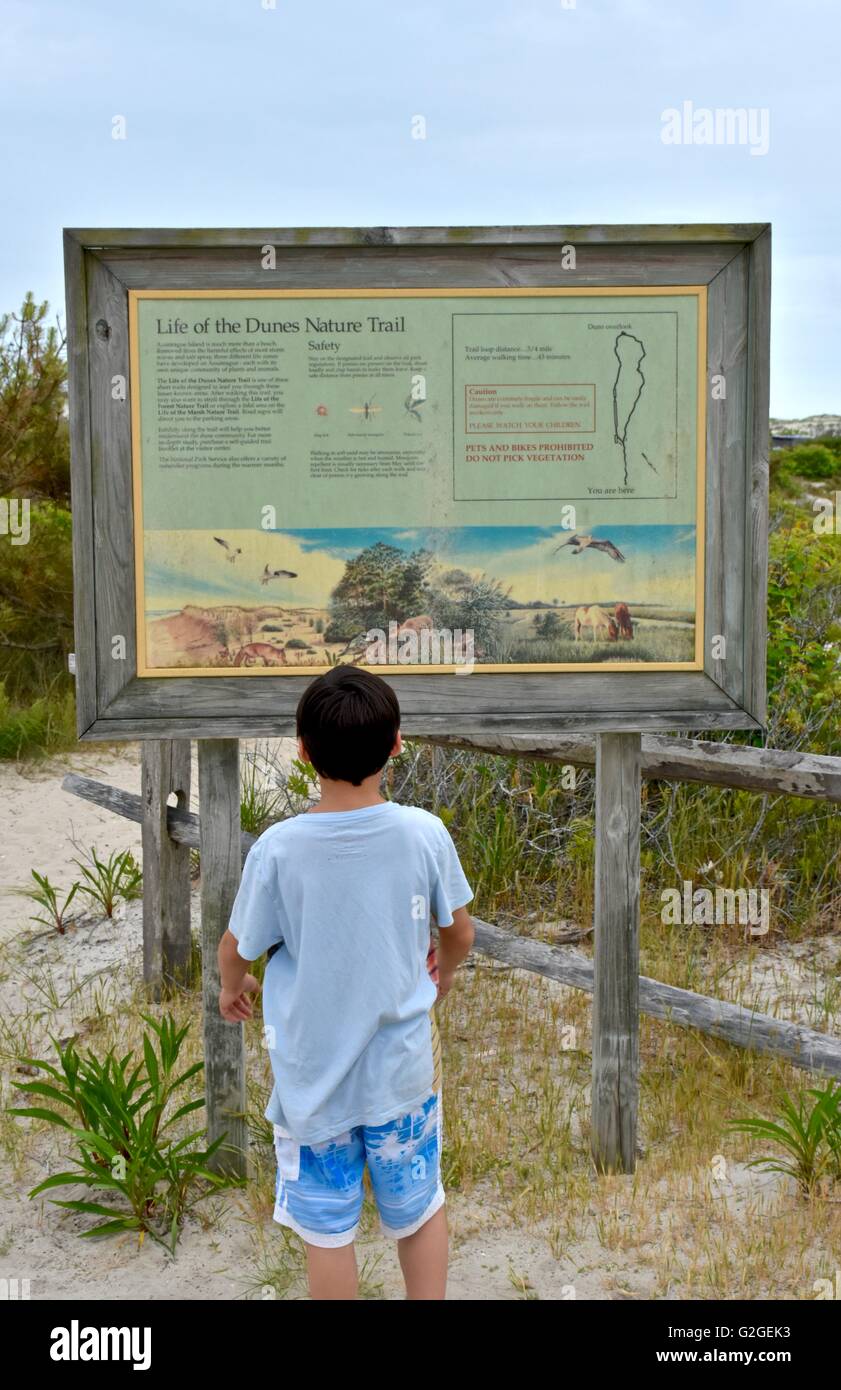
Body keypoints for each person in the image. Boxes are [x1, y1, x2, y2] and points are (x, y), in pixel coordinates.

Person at [217, 664, 475, 1300]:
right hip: (402, 1077)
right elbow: (460, 933)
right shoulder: (424, 833)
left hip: (314, 1087)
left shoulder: (278, 848)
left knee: (328, 1234)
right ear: (396, 744)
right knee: (418, 1211)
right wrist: (442, 973)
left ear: (301, 751)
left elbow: (237, 948)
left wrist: (234, 985)